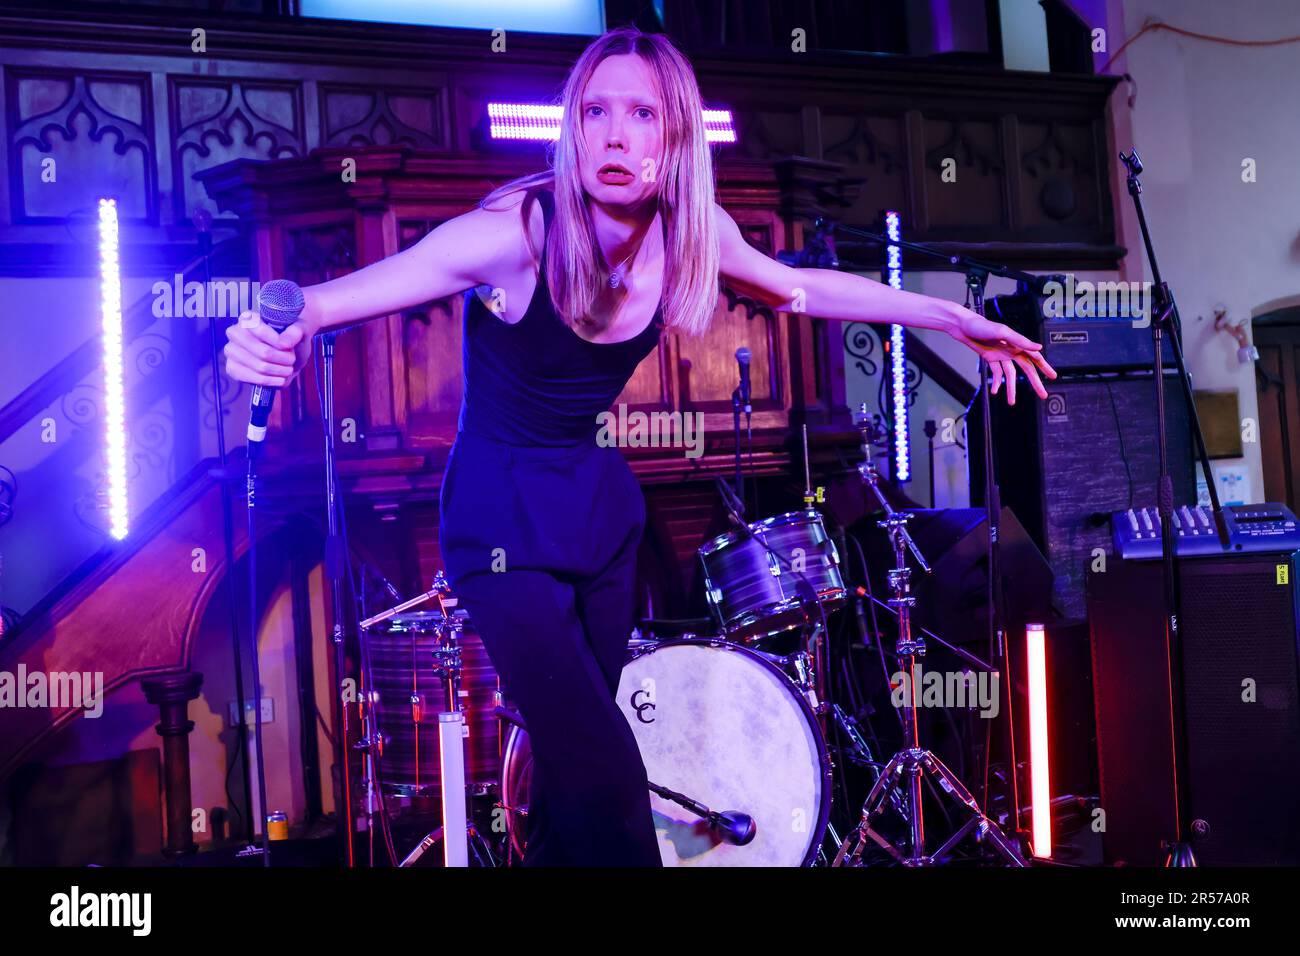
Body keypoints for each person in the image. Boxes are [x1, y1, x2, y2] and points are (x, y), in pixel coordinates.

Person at [223, 25, 1055, 867]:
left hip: (599, 515)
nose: (615, 135)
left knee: (560, 780)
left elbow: (804, 290)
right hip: (500, 519)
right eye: (595, 111)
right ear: (572, 128)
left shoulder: (697, 237)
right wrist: (271, 331)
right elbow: (330, 301)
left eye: (642, 115)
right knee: (604, 766)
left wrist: (954, 319)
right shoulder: (517, 233)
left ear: (677, 136)